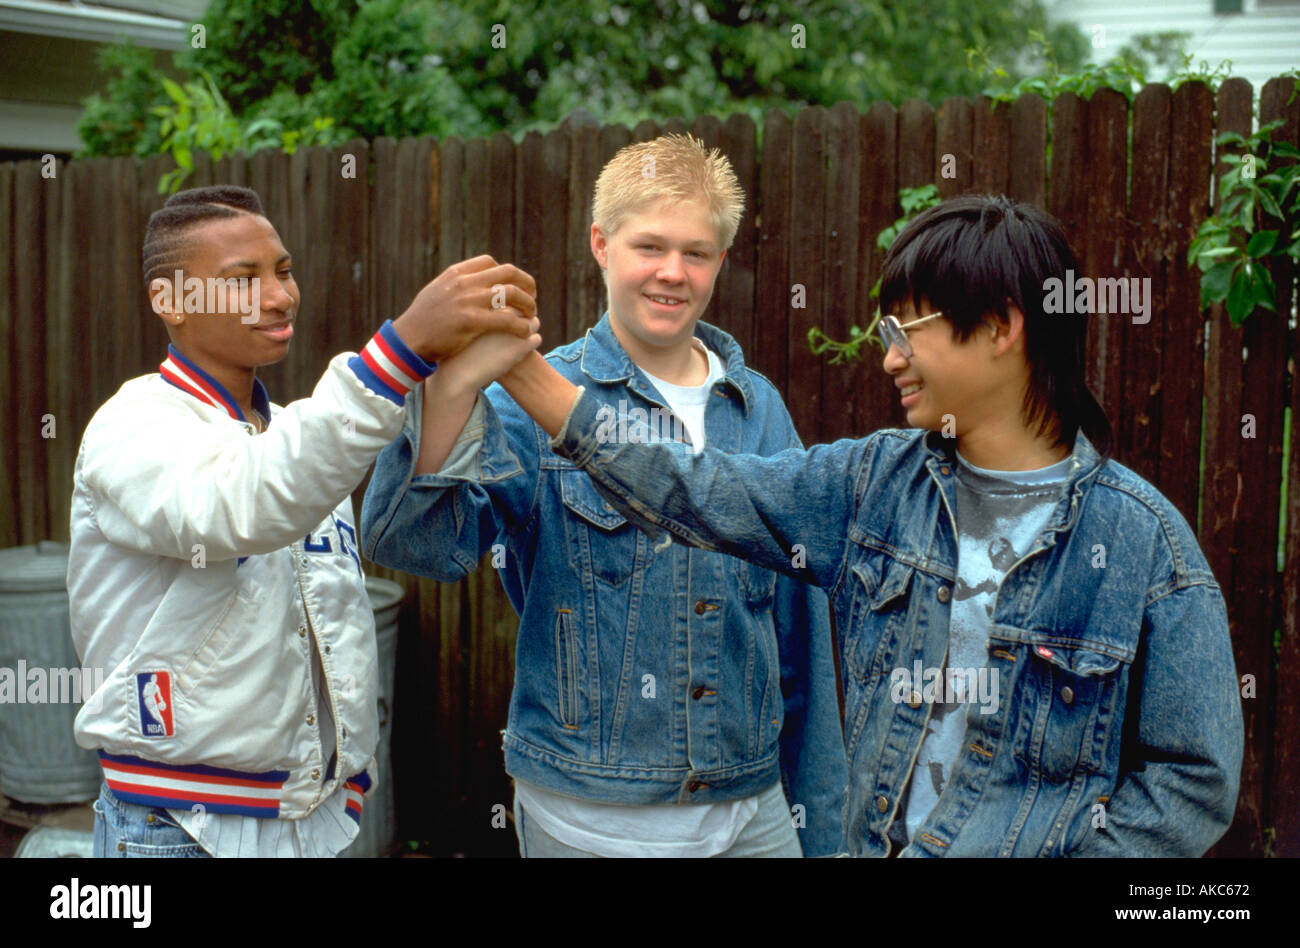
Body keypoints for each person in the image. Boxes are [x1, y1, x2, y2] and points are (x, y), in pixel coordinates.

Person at [489, 193, 1244, 857]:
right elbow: (696, 487)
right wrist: (523, 371)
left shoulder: (1145, 548)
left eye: (906, 328)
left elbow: (1192, 782)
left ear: (1002, 327)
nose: (888, 358)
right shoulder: (871, 485)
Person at [361, 134, 847, 857]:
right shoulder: (537, 398)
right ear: (601, 244)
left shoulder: (758, 408)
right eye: (649, 247)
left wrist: (823, 824)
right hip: (589, 820)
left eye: (697, 252)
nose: (672, 274)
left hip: (754, 816)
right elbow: (415, 543)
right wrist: (453, 385)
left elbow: (800, 631)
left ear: (721, 260)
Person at [68, 184, 539, 857]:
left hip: (306, 820)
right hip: (176, 829)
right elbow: (239, 505)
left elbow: (338, 595)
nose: (280, 295)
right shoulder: (131, 427)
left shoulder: (290, 431)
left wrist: (453, 377)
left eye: (283, 270)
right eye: (244, 278)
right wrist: (400, 348)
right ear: (168, 301)